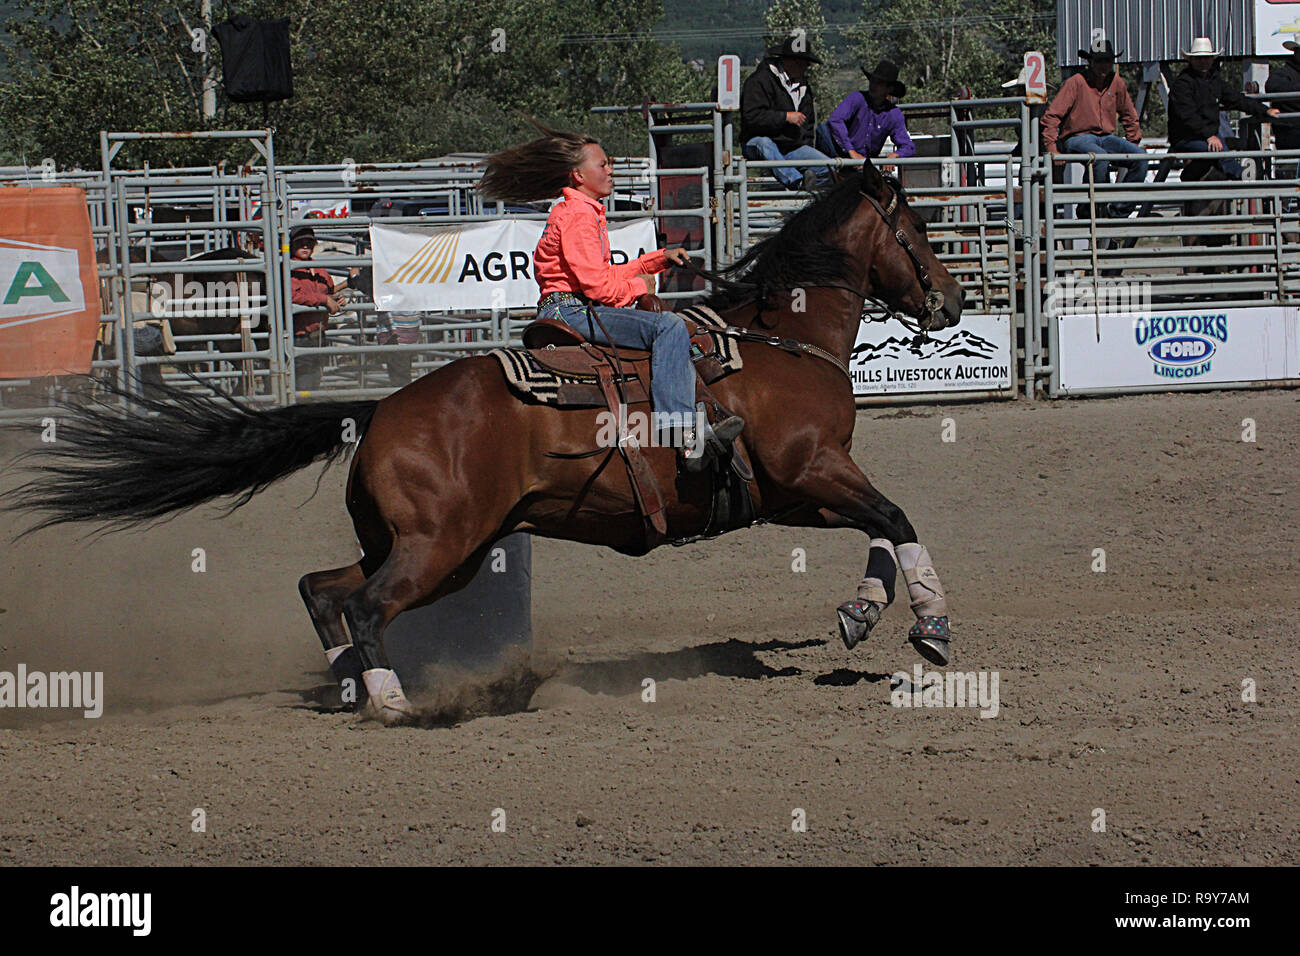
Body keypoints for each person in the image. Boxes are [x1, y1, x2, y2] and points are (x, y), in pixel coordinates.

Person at [478, 123, 743, 471]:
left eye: (609, 163)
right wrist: (641, 288)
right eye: (602, 164)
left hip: (567, 307)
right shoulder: (577, 216)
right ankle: (682, 432)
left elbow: (603, 277)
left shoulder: (580, 212)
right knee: (669, 328)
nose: (610, 170)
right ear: (578, 174)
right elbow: (598, 288)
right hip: (571, 311)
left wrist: (657, 259)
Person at [1041, 38, 1148, 217]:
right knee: (1100, 157)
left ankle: (1119, 211)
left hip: (1106, 137)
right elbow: (1052, 115)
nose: (1103, 66)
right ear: (1090, 62)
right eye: (1099, 61)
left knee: (1141, 158)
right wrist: (1052, 148)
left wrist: (1133, 140)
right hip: (1077, 137)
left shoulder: (1116, 82)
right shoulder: (1076, 82)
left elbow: (1129, 114)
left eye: (1107, 61)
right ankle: (1088, 209)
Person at [1168, 37, 1280, 182]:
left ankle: (1196, 176)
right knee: (1218, 151)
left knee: (1217, 152)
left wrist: (1264, 110)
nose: (1204, 61)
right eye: (1199, 58)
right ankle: (1241, 175)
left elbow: (1236, 99)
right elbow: (1187, 115)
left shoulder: (1214, 80)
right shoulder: (1182, 84)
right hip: (1186, 137)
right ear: (1191, 60)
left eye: (1207, 58)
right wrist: (1209, 135)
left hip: (1209, 136)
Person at [739, 36, 832, 191]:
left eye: (805, 62)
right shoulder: (759, 81)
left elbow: (808, 126)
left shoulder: (804, 88)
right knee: (765, 144)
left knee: (830, 168)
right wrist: (785, 117)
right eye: (801, 62)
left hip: (790, 148)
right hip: (755, 142)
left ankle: (808, 186)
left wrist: (807, 148)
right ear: (787, 61)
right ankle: (798, 183)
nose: (805, 66)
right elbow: (751, 117)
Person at [816, 59, 914, 175]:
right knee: (823, 130)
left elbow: (908, 146)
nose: (873, 85)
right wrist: (851, 151)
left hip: (862, 162)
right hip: (839, 151)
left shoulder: (893, 114)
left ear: (889, 89)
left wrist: (894, 156)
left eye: (880, 83)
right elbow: (836, 120)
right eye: (873, 81)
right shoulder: (857, 98)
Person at [288, 225, 350, 390]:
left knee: (315, 376)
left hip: (319, 333)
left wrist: (335, 298)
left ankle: (307, 408)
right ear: (292, 245)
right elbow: (292, 296)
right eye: (301, 243)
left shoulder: (319, 268)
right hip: (299, 334)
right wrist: (324, 299)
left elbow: (328, 290)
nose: (306, 246)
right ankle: (303, 409)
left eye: (309, 242)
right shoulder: (288, 268)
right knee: (305, 379)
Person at [1266, 39, 1300, 199]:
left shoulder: (1284, 74)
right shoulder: (1283, 74)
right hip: (1291, 134)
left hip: (1290, 133)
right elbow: (1273, 87)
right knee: (1290, 178)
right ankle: (1288, 209)